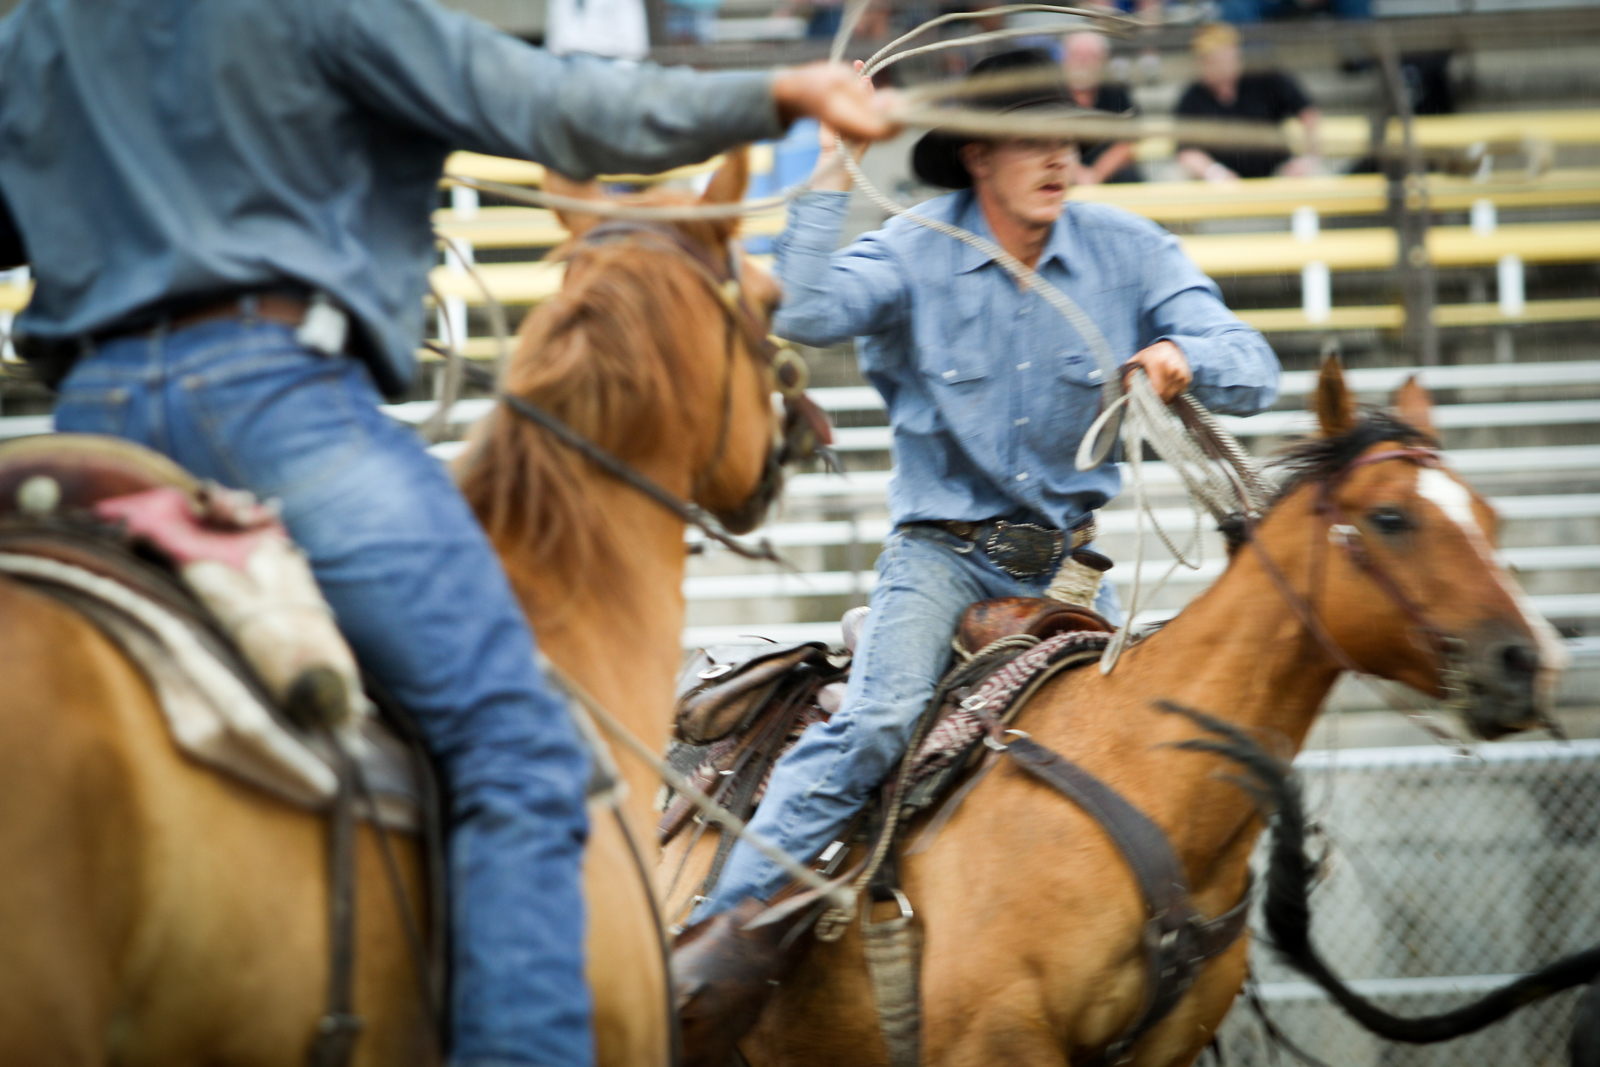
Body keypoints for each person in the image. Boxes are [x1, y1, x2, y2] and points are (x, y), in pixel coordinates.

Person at [0, 3, 895, 1066]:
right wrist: (771, 93)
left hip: (92, 426)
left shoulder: (43, 28)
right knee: (520, 746)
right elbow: (551, 103)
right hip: (274, 405)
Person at [673, 47, 1278, 1045]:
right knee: (873, 722)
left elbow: (1250, 365)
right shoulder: (913, 251)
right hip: (941, 558)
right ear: (977, 156)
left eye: (1065, 138)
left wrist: (1184, 354)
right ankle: (712, 948)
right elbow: (808, 306)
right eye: (1030, 141)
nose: (1057, 157)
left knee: (1145, 758)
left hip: (1069, 567)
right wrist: (830, 163)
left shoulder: (1130, 248)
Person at [1175, 23, 1323, 181]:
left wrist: (1307, 158)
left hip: (1278, 176)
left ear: (1235, 54)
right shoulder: (1193, 97)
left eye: (1218, 59)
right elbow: (1186, 151)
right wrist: (1215, 172)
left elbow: (1308, 114)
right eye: (1205, 60)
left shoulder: (1266, 79)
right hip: (1222, 188)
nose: (1212, 66)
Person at [1060, 32, 1143, 184]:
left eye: (1091, 56)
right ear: (1064, 59)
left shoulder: (1116, 91)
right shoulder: (1051, 93)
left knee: (1129, 176)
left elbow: (1127, 143)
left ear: (1104, 61)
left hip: (1108, 175)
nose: (1083, 62)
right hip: (1063, 171)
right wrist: (1078, 174)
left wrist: (1095, 175)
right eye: (1076, 55)